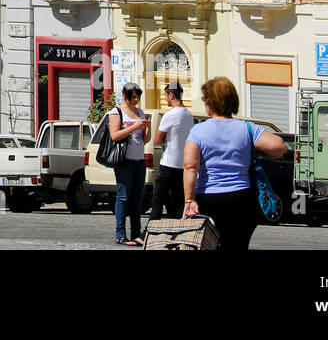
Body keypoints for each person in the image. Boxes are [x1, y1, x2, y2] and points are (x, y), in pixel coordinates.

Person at [182, 76, 284, 251]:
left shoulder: (198, 131)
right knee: (237, 245)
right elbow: (278, 146)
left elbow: (190, 167)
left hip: (209, 198)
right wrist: (254, 150)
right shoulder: (247, 128)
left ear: (210, 103)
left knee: (207, 245)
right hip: (241, 198)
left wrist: (189, 200)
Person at [109, 82, 150, 246]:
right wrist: (135, 126)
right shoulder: (116, 112)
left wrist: (147, 125)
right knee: (123, 196)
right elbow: (115, 135)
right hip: (124, 161)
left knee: (137, 198)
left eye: (138, 97)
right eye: (133, 97)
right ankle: (120, 233)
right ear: (125, 96)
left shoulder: (140, 112)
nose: (136, 100)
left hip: (139, 159)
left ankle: (136, 233)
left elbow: (145, 139)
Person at [150, 82, 193, 223]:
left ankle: (151, 229)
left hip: (168, 163)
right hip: (182, 165)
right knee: (178, 200)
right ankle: (178, 228)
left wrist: (164, 140)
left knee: (158, 198)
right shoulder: (189, 115)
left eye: (166, 96)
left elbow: (157, 139)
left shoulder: (170, 115)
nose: (166, 99)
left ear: (171, 95)